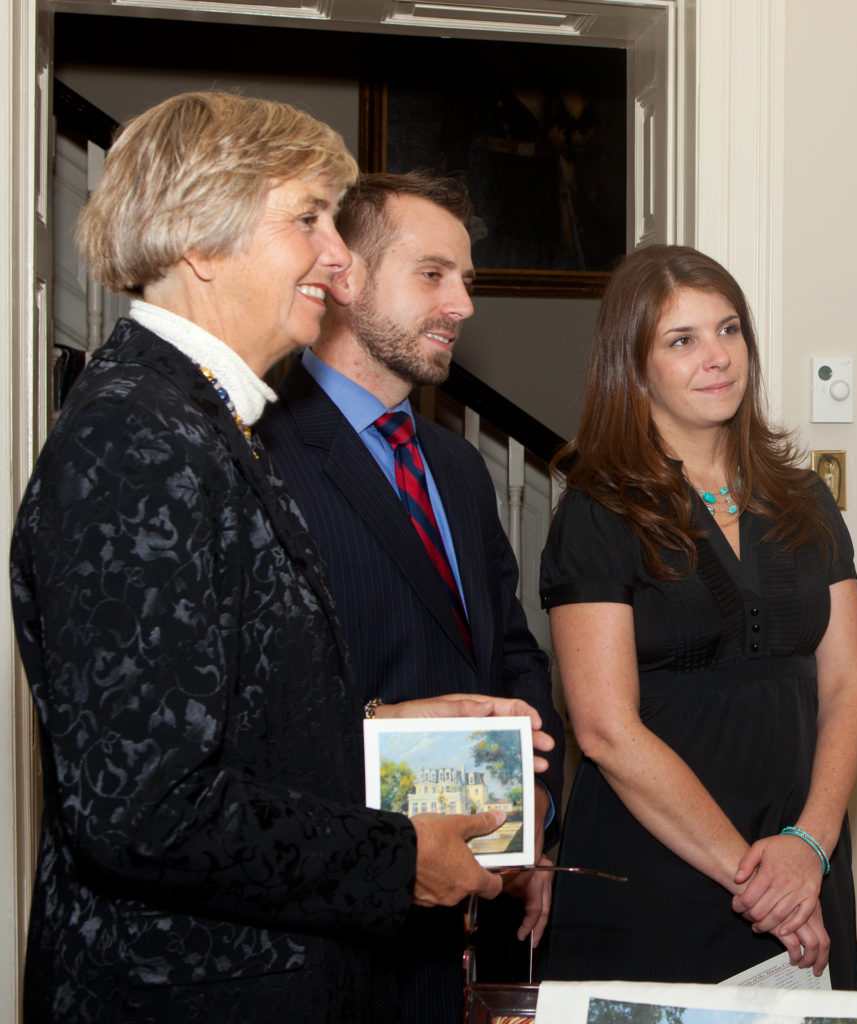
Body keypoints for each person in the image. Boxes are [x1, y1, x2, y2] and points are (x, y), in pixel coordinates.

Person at [10, 92, 550, 1024]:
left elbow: (227, 722)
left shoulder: (202, 424)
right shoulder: (135, 441)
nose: (335, 259)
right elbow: (146, 811)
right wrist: (398, 858)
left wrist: (383, 725)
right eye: (308, 220)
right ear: (200, 239)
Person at [256, 171, 565, 1021]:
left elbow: (509, 651)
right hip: (334, 929)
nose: (462, 304)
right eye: (433, 275)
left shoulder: (459, 465)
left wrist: (534, 811)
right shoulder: (261, 452)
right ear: (343, 276)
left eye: (466, 279)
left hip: (460, 934)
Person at [538, 245, 857, 987]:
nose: (716, 357)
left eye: (729, 330)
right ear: (634, 364)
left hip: (803, 860)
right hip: (657, 871)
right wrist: (758, 881)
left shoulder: (805, 499)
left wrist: (807, 849)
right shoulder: (598, 513)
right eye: (681, 341)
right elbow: (604, 729)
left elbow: (848, 684)